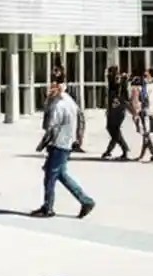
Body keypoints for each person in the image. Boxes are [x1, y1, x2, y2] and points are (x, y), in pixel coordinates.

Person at [31, 79, 96, 219]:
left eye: (53, 87)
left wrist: (43, 143)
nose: (50, 89)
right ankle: (85, 201)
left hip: (59, 144)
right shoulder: (69, 100)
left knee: (50, 176)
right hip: (66, 142)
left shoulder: (58, 105)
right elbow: (80, 118)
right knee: (60, 174)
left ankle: (48, 207)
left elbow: (52, 127)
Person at [100, 66, 131, 160]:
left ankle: (121, 149)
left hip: (117, 110)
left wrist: (123, 79)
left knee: (114, 129)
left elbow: (122, 96)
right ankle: (116, 149)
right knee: (113, 129)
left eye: (109, 73)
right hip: (114, 109)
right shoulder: (113, 83)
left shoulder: (118, 83)